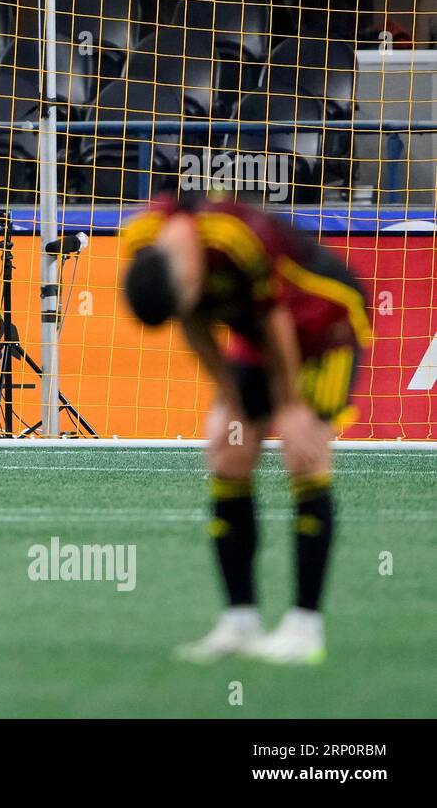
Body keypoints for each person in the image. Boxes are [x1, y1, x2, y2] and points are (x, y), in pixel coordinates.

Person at [122, 193, 372, 665]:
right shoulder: (143, 240)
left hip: (325, 324)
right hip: (258, 338)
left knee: (304, 455)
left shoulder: (235, 239)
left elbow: (275, 317)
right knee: (228, 453)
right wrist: (231, 398)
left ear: (190, 271)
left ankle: (304, 629)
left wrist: (292, 406)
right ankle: (240, 623)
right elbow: (193, 322)